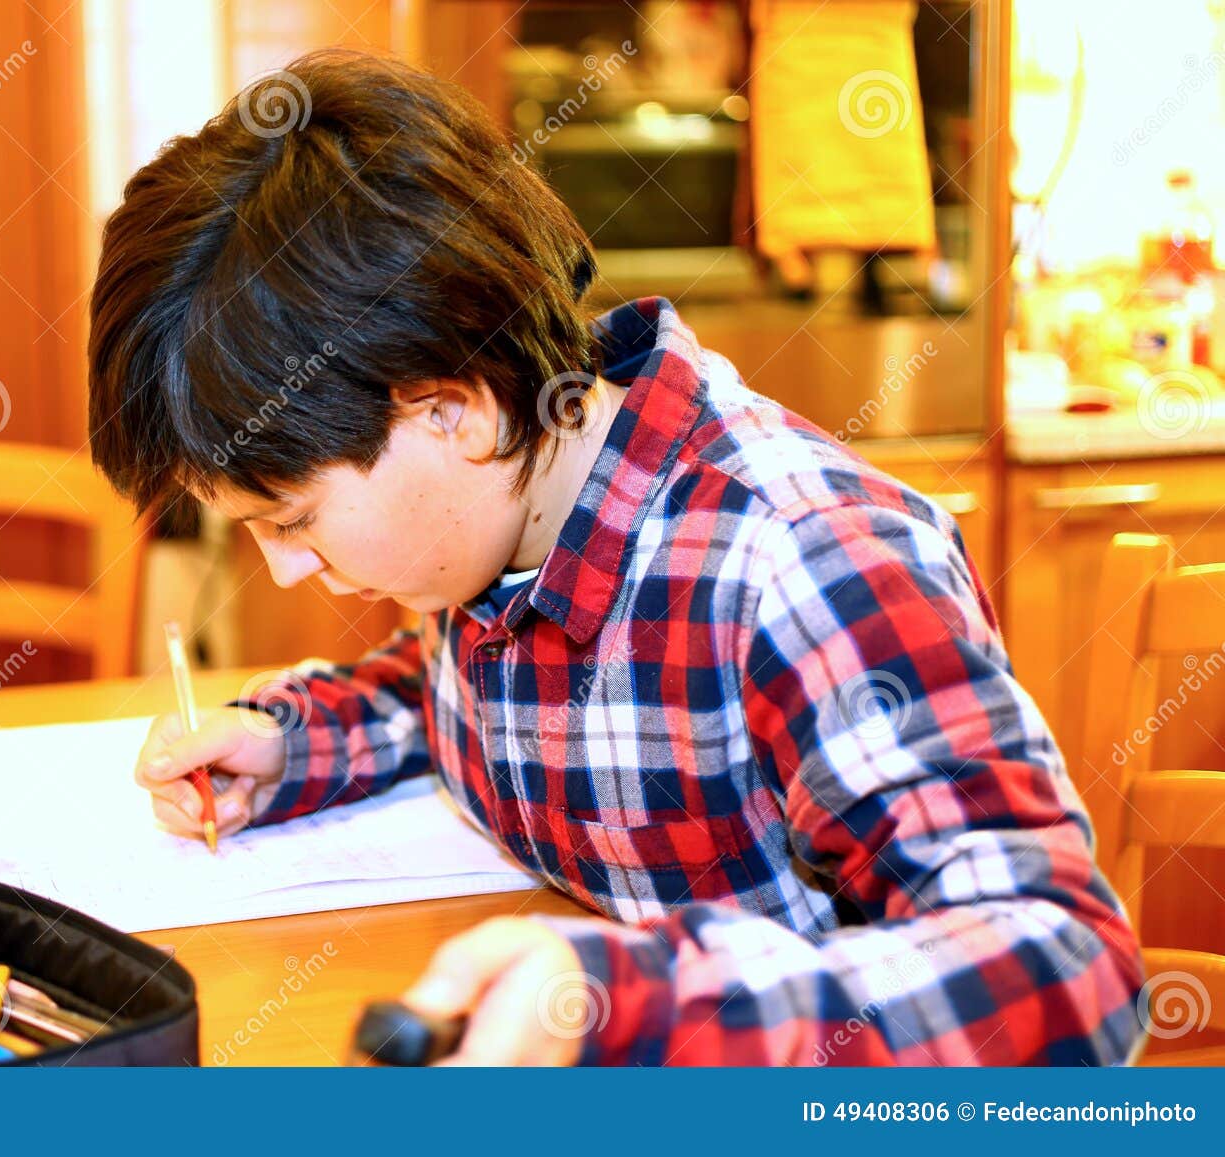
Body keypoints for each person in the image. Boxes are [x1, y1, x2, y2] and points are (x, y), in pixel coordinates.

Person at [86, 49, 1143, 1066]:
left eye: (294, 518)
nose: (282, 570)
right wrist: (296, 741)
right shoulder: (496, 516)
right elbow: (482, 687)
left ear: (448, 407)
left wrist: (637, 1010)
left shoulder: (806, 562)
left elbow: (1066, 971)